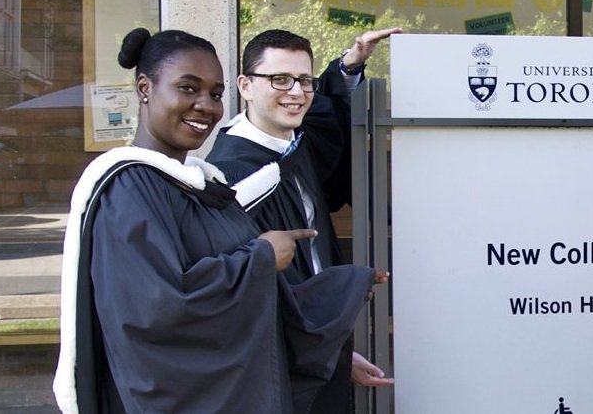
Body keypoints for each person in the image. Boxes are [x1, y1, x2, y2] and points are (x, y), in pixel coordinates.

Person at [53, 28, 379, 413]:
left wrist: (338, 295)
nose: (205, 105)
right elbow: (156, 311)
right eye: (188, 88)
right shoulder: (129, 189)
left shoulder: (199, 185)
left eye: (215, 94)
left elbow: (241, 301)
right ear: (145, 88)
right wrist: (261, 258)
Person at [207, 26, 400, 413]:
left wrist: (349, 64)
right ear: (245, 86)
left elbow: (326, 107)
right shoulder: (231, 177)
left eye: (304, 80)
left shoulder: (294, 143)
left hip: (317, 350)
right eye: (279, 79)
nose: (296, 92)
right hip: (273, 369)